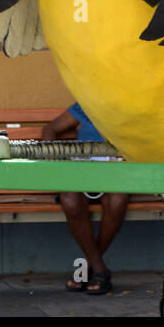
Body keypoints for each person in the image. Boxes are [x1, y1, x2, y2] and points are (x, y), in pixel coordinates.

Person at [43, 103, 128, 296]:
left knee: (117, 201)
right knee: (70, 201)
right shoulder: (88, 101)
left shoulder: (130, 105)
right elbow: (50, 128)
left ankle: (91, 268)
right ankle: (99, 270)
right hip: (82, 165)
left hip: (116, 167)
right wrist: (50, 157)